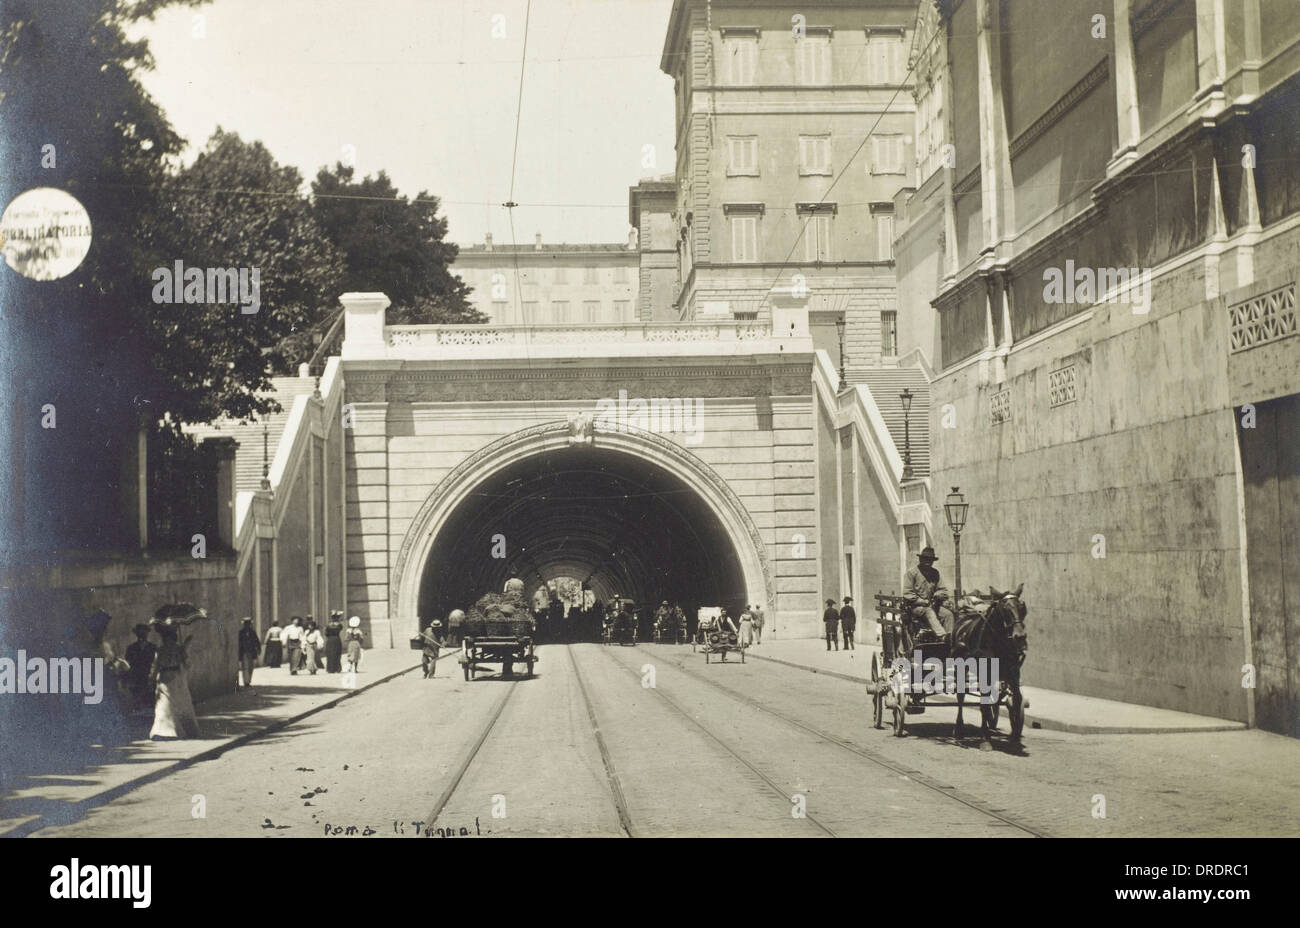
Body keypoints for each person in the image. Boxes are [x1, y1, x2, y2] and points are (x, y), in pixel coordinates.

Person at [148, 618, 200, 740]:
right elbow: (187, 665)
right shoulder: (178, 649)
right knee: (179, 703)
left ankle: (163, 730)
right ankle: (176, 730)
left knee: (165, 704)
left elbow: (155, 667)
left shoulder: (161, 650)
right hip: (176, 677)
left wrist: (152, 678)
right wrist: (184, 649)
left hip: (166, 678)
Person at [903, 546, 954, 639]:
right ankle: (942, 636)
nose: (928, 562)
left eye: (930, 560)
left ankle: (949, 640)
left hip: (932, 606)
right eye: (925, 559)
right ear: (920, 559)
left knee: (948, 614)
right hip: (915, 608)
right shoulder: (911, 573)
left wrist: (938, 594)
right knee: (928, 611)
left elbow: (943, 590)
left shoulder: (935, 573)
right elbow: (907, 593)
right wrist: (921, 601)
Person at [124, 623, 157, 709]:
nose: (142, 635)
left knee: (149, 696)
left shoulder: (153, 647)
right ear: (137, 634)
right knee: (136, 696)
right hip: (136, 675)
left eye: (144, 633)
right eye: (140, 633)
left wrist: (152, 673)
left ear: (147, 634)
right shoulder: (131, 648)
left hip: (148, 674)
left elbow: (155, 662)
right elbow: (128, 660)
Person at [237, 617, 259, 692]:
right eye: (246, 624)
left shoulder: (253, 632)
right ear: (244, 624)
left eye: (248, 624)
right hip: (244, 652)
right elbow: (239, 643)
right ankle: (246, 682)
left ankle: (248, 680)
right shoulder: (241, 632)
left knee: (251, 667)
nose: (247, 625)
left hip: (252, 652)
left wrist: (258, 649)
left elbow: (257, 641)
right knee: (245, 667)